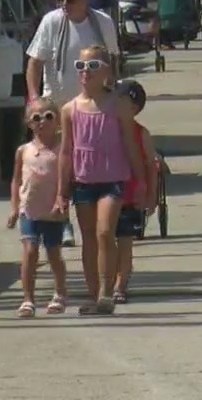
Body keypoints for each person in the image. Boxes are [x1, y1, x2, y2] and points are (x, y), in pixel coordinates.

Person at [26, 0, 121, 246]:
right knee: (59, 165)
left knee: (88, 166)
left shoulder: (102, 24)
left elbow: (111, 61)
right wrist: (34, 98)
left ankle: (100, 217)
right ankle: (61, 220)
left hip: (92, 106)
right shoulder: (52, 22)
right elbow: (35, 61)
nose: (64, 3)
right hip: (57, 104)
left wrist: (112, 95)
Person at [52, 45, 143, 315]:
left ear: (105, 69)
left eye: (92, 66)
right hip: (83, 181)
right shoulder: (69, 109)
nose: (85, 72)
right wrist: (61, 191)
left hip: (113, 179)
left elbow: (130, 144)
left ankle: (106, 291)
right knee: (89, 238)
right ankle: (93, 294)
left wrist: (141, 183)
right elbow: (66, 152)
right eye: (80, 66)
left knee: (105, 232)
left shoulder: (119, 105)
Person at [8, 98, 69, 318]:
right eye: (36, 118)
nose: (42, 122)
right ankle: (27, 298)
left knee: (53, 253)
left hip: (53, 211)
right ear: (28, 123)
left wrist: (62, 200)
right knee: (30, 252)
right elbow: (16, 180)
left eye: (48, 116)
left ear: (58, 121)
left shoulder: (62, 150)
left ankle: (60, 293)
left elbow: (66, 179)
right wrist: (15, 207)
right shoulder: (23, 151)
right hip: (29, 209)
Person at [114, 80, 156, 304]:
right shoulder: (108, 131)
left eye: (122, 101)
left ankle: (121, 284)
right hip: (108, 193)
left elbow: (151, 165)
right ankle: (109, 280)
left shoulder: (142, 134)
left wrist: (151, 195)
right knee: (106, 241)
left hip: (130, 198)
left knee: (125, 243)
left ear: (134, 108)